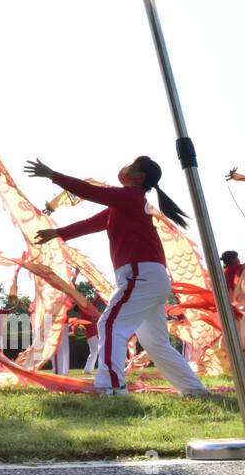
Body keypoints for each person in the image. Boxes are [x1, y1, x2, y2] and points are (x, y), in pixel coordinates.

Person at [25, 155, 209, 396]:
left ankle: (111, 386)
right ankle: (194, 390)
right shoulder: (125, 203)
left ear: (139, 177)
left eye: (132, 166)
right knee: (155, 343)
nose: (126, 168)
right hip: (150, 277)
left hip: (140, 275)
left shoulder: (130, 197)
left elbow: (91, 192)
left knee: (110, 323)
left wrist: (53, 175)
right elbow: (92, 223)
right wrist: (58, 233)